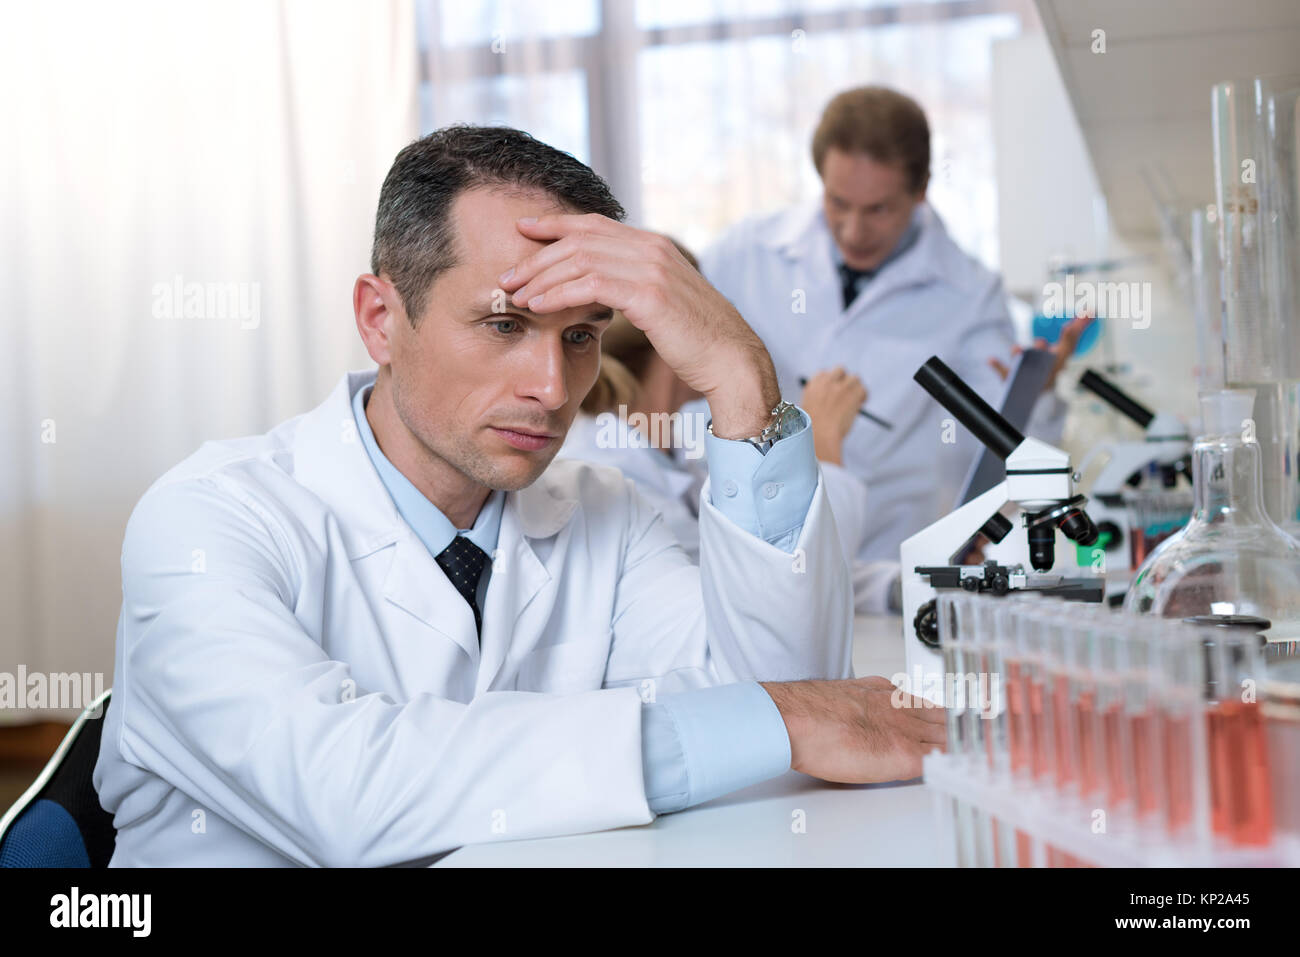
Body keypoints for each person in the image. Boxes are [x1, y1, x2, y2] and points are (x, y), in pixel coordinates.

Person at [93, 126, 945, 866]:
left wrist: (737, 372)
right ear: (381, 319)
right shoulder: (208, 518)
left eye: (580, 334)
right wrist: (770, 722)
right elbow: (344, 795)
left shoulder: (605, 511)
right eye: (504, 325)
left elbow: (793, 710)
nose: (552, 384)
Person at [700, 86, 1091, 564]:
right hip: (759, 555)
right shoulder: (746, 253)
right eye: (838, 202)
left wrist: (1038, 392)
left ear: (921, 190)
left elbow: (1008, 448)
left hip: (888, 564)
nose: (853, 231)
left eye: (878, 209)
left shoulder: (970, 292)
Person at [559, 240, 901, 612]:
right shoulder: (604, 471)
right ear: (670, 330)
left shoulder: (673, 455)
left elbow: (771, 557)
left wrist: (906, 586)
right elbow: (784, 594)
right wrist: (825, 447)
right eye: (711, 314)